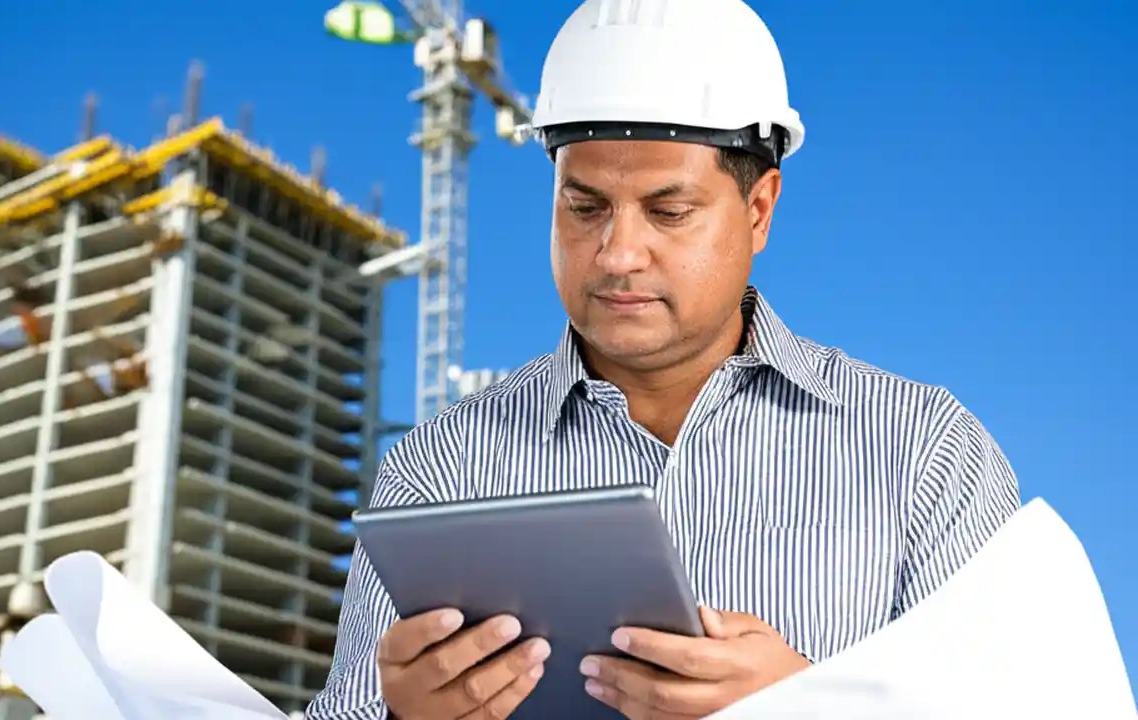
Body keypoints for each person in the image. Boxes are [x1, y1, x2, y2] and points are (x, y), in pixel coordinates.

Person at [306, 0, 1021, 717]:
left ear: (759, 210)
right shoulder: (440, 470)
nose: (618, 254)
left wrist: (814, 707)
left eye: (668, 212)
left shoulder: (924, 456)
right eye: (585, 208)